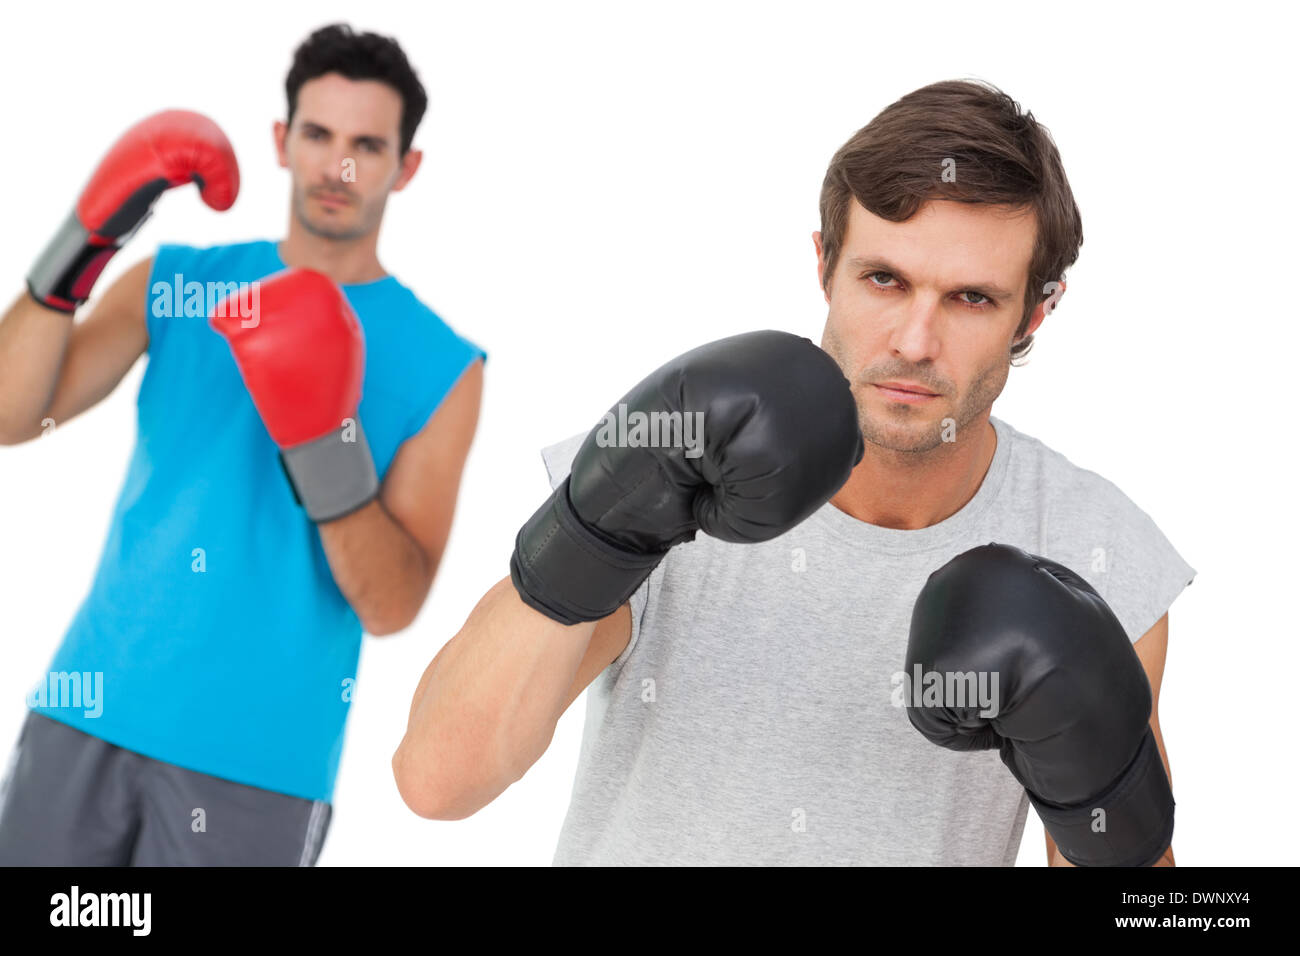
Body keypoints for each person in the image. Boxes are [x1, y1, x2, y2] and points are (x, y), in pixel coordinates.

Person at [392, 79, 1193, 866]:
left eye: (971, 299)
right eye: (885, 279)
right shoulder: (682, 458)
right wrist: (599, 523)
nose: (915, 341)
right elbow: (437, 783)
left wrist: (1109, 811)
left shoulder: (1093, 545)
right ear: (824, 264)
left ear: (1034, 312)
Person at [0, 23, 484, 865]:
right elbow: (12, 416)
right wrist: (82, 242)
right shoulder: (175, 280)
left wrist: (324, 446)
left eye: (367, 145)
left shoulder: (445, 363)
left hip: (259, 766)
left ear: (406, 168)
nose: (338, 168)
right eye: (319, 135)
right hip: (86, 710)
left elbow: (392, 603)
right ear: (281, 141)